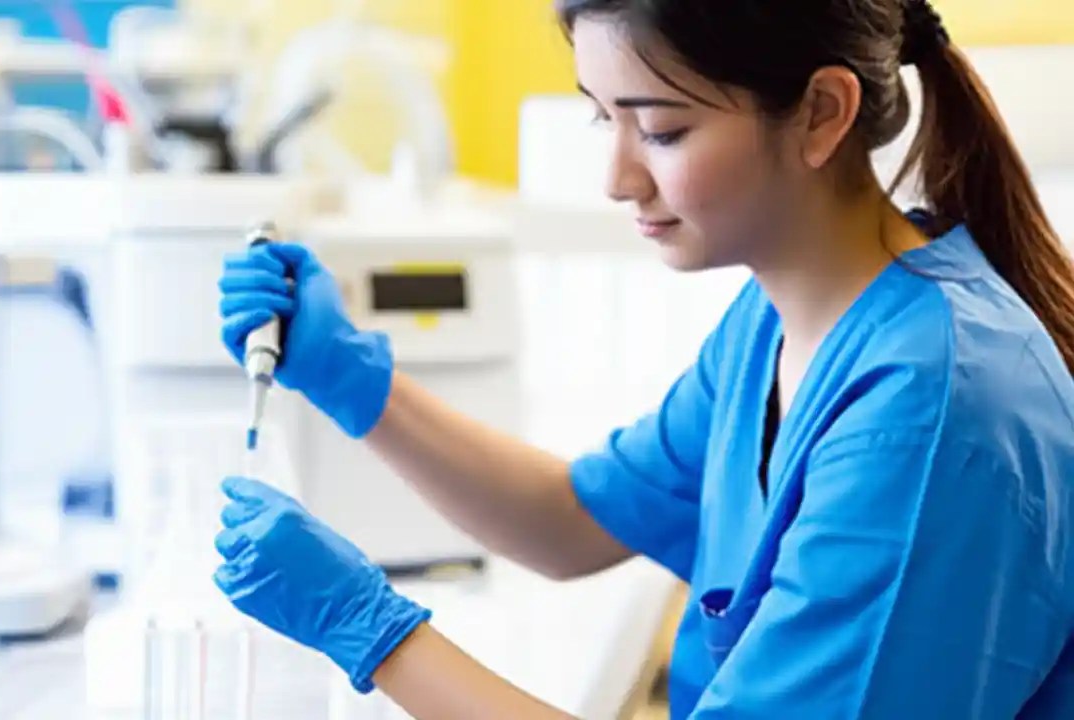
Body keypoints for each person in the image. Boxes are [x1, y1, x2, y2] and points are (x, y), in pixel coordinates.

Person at [214, 0, 1074, 716]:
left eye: (660, 130)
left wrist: (369, 629)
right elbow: (573, 519)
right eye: (603, 116)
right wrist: (356, 386)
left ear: (822, 114)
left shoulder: (931, 413)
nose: (617, 178)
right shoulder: (778, 325)